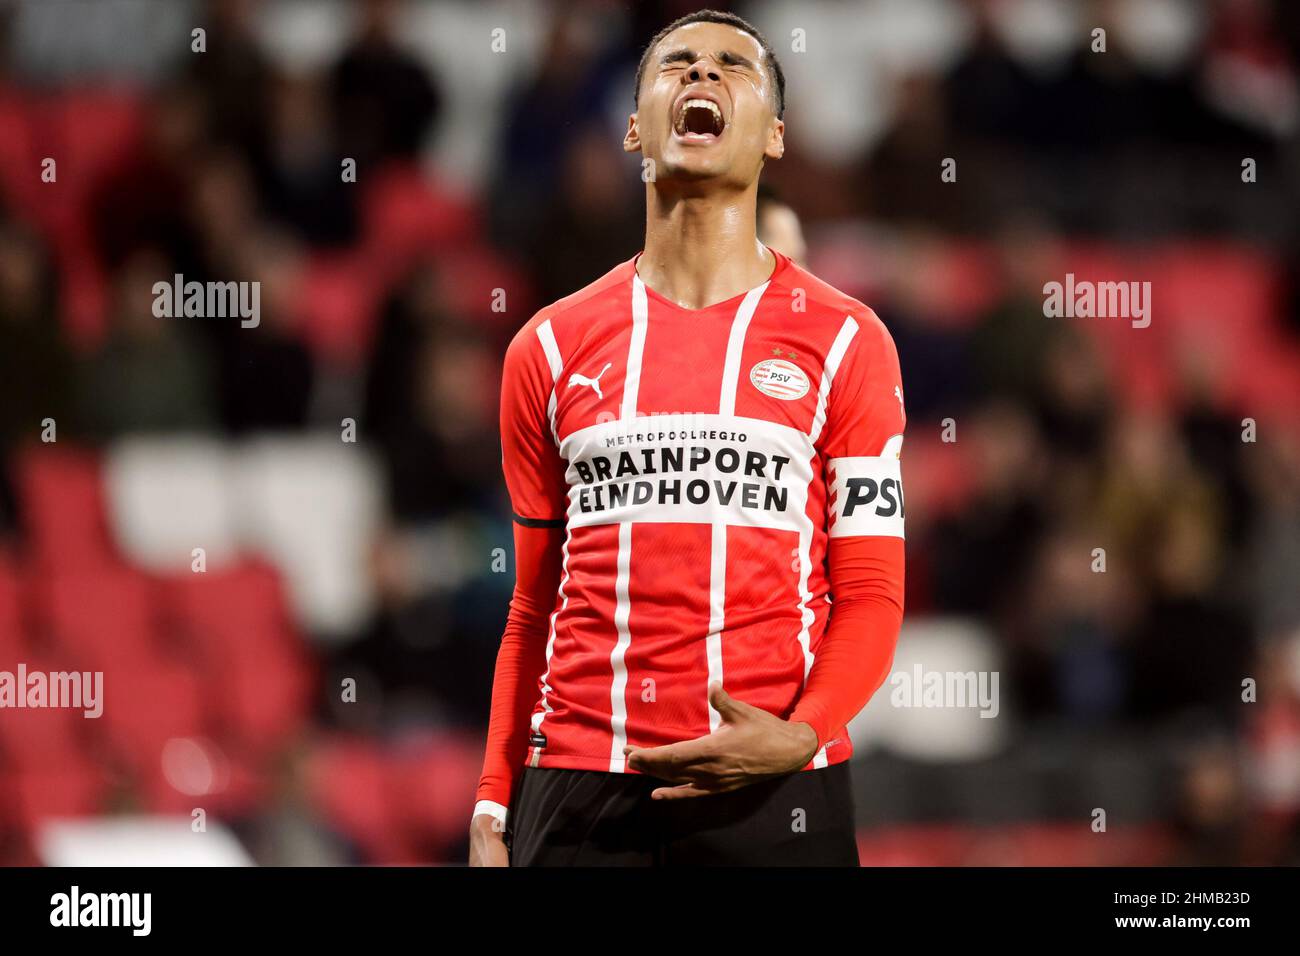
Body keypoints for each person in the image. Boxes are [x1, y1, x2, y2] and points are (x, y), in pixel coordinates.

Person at [470, 10, 906, 866]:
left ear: (775, 136)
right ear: (635, 124)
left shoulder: (849, 342)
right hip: (581, 790)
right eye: (677, 64)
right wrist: (493, 799)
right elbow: (532, 609)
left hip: (778, 788)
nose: (702, 75)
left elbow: (871, 594)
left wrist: (800, 735)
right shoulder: (547, 348)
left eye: (733, 66)